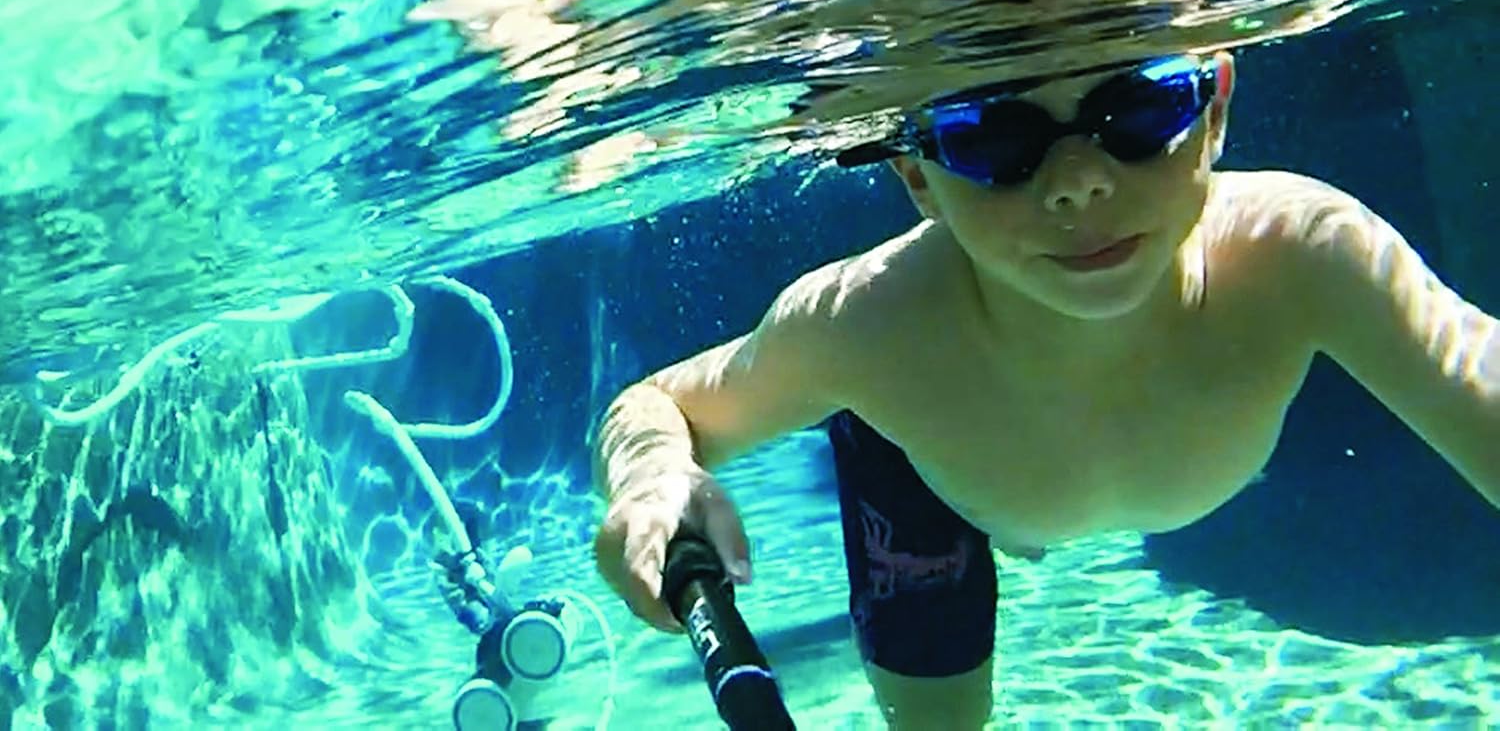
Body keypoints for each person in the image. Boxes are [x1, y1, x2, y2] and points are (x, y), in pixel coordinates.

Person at [590, 46, 1500, 728]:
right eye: (994, 138)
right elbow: (656, 403)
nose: (1076, 182)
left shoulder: (1303, 253)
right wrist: (649, 476)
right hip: (932, 467)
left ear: (1213, 111)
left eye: (1138, 111)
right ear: (918, 176)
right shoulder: (874, 326)